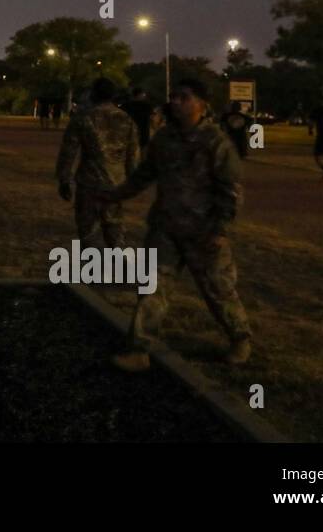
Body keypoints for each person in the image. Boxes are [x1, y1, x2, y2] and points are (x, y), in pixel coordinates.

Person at [98, 78, 252, 371]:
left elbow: (231, 190)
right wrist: (115, 195)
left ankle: (240, 339)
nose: (175, 102)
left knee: (218, 289)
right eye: (173, 97)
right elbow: (144, 175)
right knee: (152, 289)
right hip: (165, 228)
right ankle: (139, 349)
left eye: (183, 97)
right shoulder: (164, 138)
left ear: (201, 103)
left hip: (203, 231)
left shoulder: (216, 142)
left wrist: (221, 230)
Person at [55, 77, 139, 247]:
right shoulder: (126, 119)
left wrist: (64, 179)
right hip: (116, 183)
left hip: (89, 183)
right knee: (114, 229)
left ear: (93, 94)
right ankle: (119, 268)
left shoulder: (83, 118)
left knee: (88, 232)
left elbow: (69, 151)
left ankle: (94, 270)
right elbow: (133, 154)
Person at [121, 87, 153, 155]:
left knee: (130, 154)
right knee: (143, 154)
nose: (144, 95)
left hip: (129, 133)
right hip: (143, 133)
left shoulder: (126, 105)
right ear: (140, 94)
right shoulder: (147, 105)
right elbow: (152, 119)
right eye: (143, 94)